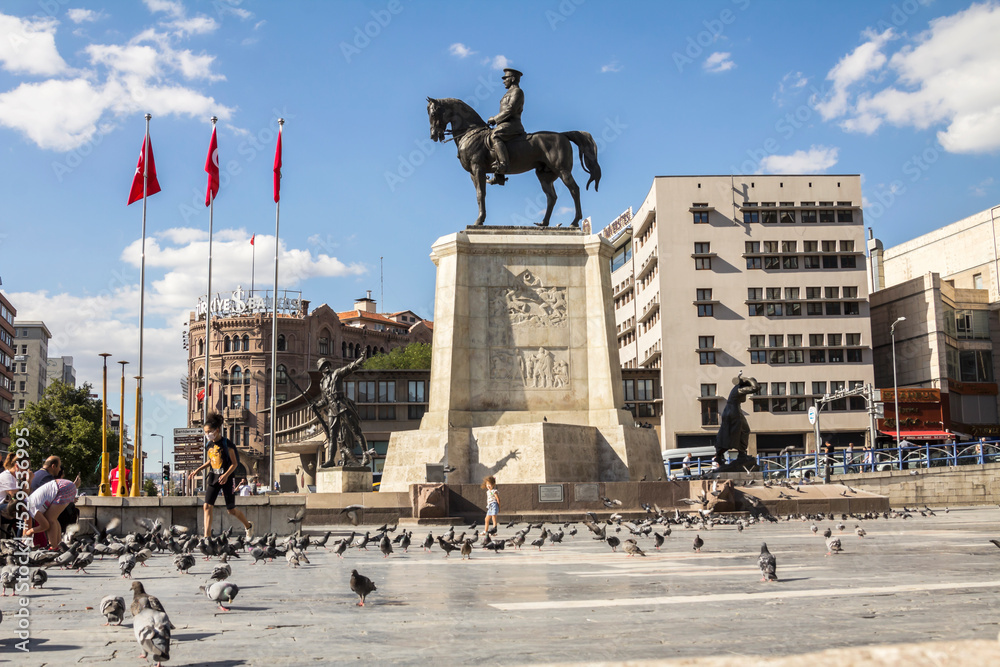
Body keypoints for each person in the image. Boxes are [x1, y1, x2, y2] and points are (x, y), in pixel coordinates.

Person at [187, 412, 253, 539]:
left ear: (217, 430)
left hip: (227, 479)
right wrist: (198, 469)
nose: (207, 434)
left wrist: (226, 475)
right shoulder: (208, 444)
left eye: (209, 431)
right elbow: (211, 460)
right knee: (206, 506)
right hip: (213, 477)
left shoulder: (227, 445)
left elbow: (235, 463)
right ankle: (207, 537)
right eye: (205, 432)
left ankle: (248, 526)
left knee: (231, 510)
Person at [486, 68, 525, 186]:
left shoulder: (517, 92)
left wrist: (495, 118)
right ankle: (498, 177)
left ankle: (503, 165)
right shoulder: (507, 93)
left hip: (513, 124)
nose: (503, 81)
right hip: (504, 124)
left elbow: (511, 110)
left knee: (495, 135)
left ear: (512, 79)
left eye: (505, 78)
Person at [24, 476, 78, 547]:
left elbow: (45, 525)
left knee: (50, 519)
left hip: (63, 488)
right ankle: (59, 545)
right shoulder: (27, 501)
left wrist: (30, 531)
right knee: (53, 518)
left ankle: (54, 547)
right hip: (66, 485)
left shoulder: (31, 507)